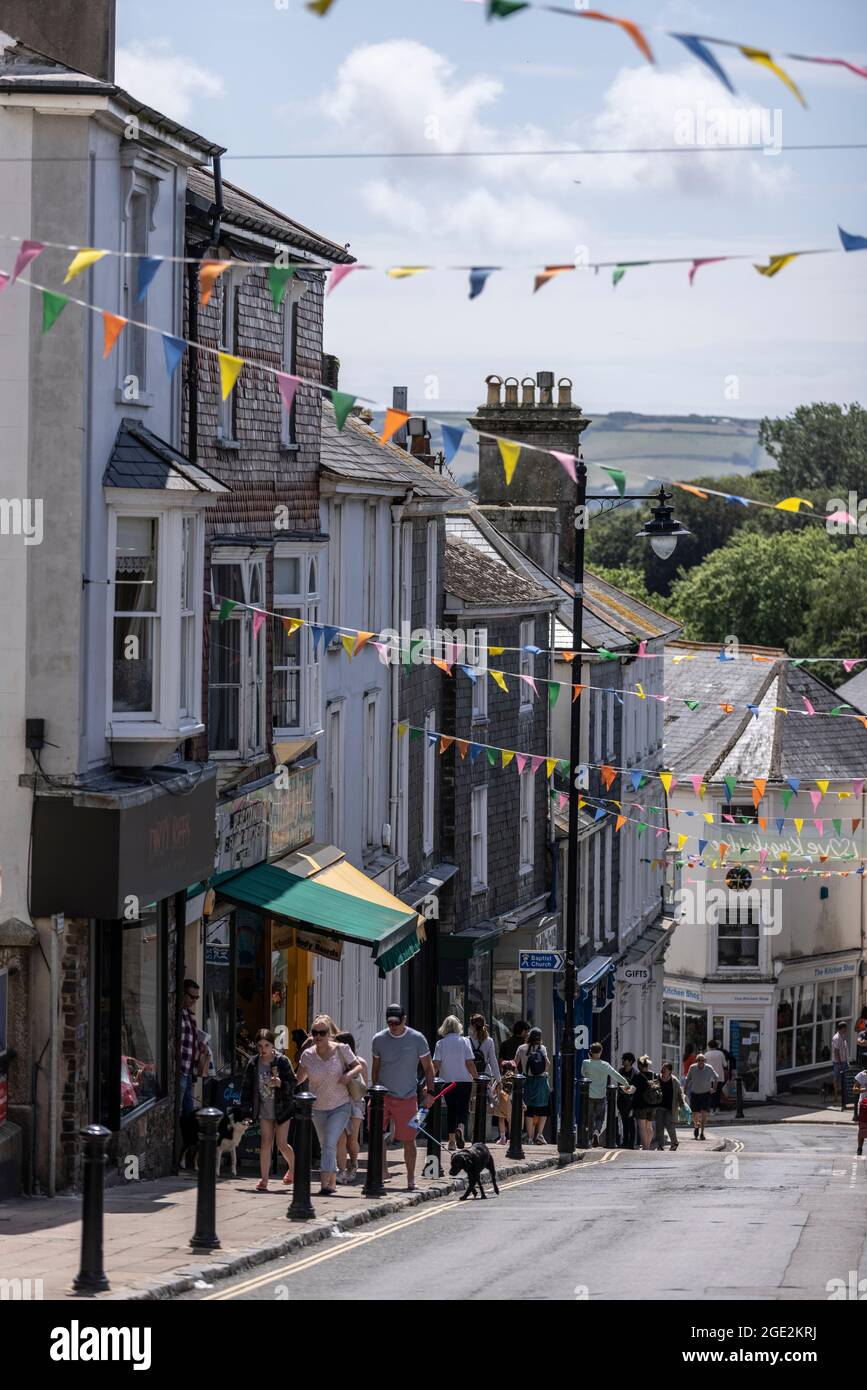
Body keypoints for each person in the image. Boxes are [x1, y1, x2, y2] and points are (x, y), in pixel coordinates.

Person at [295, 1015, 363, 1195]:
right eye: (315, 1033)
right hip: (317, 1107)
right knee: (324, 1142)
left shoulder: (341, 1049)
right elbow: (299, 1078)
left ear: (330, 1034)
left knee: (330, 1142)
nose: (318, 1036)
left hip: (340, 1105)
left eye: (322, 1033)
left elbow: (358, 1066)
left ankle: (325, 1184)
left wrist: (348, 1075)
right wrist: (281, 1081)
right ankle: (332, 1182)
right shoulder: (308, 1055)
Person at [371, 1004, 436, 1192]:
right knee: (377, 1136)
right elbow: (376, 1068)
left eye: (396, 1023)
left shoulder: (417, 1039)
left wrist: (430, 1092)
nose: (393, 1027)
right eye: (390, 1023)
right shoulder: (378, 1040)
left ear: (404, 1019)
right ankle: (382, 1173)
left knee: (409, 1139)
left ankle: (410, 1179)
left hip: (407, 1097)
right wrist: (375, 1093)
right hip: (382, 1096)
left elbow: (429, 1067)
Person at [239, 1029, 297, 1192]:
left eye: (266, 1045)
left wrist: (280, 1083)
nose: (263, 1049)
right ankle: (264, 1179)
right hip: (264, 1108)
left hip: (282, 1108)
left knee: (281, 1144)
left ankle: (292, 1168)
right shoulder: (253, 1063)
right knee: (265, 1142)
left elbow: (293, 1082)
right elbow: (246, 1088)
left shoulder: (282, 1061)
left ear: (273, 1045)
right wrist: (246, 1112)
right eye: (259, 1046)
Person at [433, 1016, 478, 1149]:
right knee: (463, 1108)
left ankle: (452, 1141)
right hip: (464, 1080)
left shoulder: (440, 1044)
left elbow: (436, 1065)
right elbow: (469, 1063)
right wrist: (477, 1078)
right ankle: (461, 1128)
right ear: (458, 1027)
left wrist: (429, 1081)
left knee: (451, 1109)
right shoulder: (465, 1041)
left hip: (447, 1081)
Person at [581, 1043, 631, 1147]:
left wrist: (589, 1060)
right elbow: (615, 1075)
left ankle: (590, 1139)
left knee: (589, 1118)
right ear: (600, 1052)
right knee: (600, 1118)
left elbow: (583, 1074)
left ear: (591, 1051)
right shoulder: (605, 1064)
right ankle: (597, 1132)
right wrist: (626, 1083)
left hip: (589, 1095)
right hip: (601, 1096)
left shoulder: (586, 1062)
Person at [334, 1031, 368, 1185]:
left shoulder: (360, 1061)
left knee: (351, 1139)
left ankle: (353, 1164)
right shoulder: (334, 1062)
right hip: (339, 1102)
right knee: (340, 1137)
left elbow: (364, 1087)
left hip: (355, 1103)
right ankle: (341, 1170)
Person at [516, 1027, 550, 1144]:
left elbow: (515, 1064)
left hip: (527, 1080)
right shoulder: (542, 1048)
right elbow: (548, 1064)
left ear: (529, 1036)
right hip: (541, 1081)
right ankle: (539, 1135)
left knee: (529, 1110)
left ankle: (530, 1138)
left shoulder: (521, 1048)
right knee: (543, 1108)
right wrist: (542, 1072)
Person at [468, 1014, 500, 1138]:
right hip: (485, 1077)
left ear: (473, 1025)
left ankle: (470, 1132)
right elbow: (493, 1061)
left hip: (470, 1076)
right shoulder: (489, 1041)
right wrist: (498, 1079)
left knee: (469, 1105)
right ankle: (482, 1133)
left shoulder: (467, 1040)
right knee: (484, 1105)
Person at [179, 979, 203, 1122]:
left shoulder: (190, 1015)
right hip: (181, 1070)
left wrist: (200, 1045)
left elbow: (191, 1043)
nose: (194, 1000)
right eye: (191, 996)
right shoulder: (177, 1014)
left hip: (188, 1071)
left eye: (197, 997)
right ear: (183, 994)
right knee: (180, 1112)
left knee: (188, 1113)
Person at [684, 1053, 719, 1140]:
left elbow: (716, 1077)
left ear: (705, 1061)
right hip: (695, 1093)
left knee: (704, 1114)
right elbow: (688, 1079)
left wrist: (714, 1088)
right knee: (694, 1114)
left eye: (702, 1060)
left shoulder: (709, 1068)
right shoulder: (692, 1067)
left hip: (705, 1094)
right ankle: (696, 1125)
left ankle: (702, 1133)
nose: (700, 1062)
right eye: (698, 1060)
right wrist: (684, 1090)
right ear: (696, 1061)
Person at [631, 1055, 661, 1151]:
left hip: (640, 1105)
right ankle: (648, 1146)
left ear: (639, 1065)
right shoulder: (654, 1075)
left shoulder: (637, 1076)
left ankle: (645, 1147)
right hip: (653, 1104)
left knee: (642, 1127)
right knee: (649, 1126)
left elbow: (633, 1090)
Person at [491, 1060, 523, 1144]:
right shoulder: (515, 1077)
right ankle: (512, 1138)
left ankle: (502, 1138)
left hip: (502, 1098)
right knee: (511, 1120)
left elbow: (492, 1089)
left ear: (502, 1068)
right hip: (512, 1100)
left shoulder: (501, 1077)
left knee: (501, 1119)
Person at [655, 1062, 685, 1151]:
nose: (663, 1070)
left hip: (670, 1108)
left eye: (665, 1069)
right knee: (659, 1126)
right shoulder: (657, 1078)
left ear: (670, 1071)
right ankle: (660, 1145)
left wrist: (682, 1105)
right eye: (662, 1068)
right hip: (659, 1107)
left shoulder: (675, 1081)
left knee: (670, 1125)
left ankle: (674, 1142)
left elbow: (679, 1094)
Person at [617, 1053, 638, 1149]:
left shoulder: (635, 1073)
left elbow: (636, 1088)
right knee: (624, 1122)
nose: (622, 1061)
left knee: (631, 1122)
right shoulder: (620, 1071)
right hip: (622, 1101)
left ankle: (631, 1143)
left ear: (630, 1061)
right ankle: (625, 1142)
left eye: (624, 1060)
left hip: (632, 1101)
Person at [704, 1040, 728, 1121]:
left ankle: (711, 1109)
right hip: (719, 1076)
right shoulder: (720, 1053)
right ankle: (717, 1108)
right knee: (718, 1092)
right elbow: (725, 1064)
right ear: (716, 1045)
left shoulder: (706, 1054)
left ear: (709, 1046)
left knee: (711, 1093)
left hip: (709, 1076)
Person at [832, 1022, 850, 1099]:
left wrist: (846, 1061)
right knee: (837, 1078)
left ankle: (843, 1096)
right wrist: (839, 1063)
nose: (846, 1029)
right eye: (845, 1028)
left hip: (844, 1061)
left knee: (845, 1078)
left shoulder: (842, 1036)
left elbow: (844, 1050)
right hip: (838, 1062)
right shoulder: (836, 1038)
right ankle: (836, 1096)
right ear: (842, 1028)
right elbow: (836, 1051)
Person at [853, 1066, 867, 1155]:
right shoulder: (862, 1075)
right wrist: (864, 1089)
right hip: (864, 1106)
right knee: (862, 1128)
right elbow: (854, 1090)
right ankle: (859, 1148)